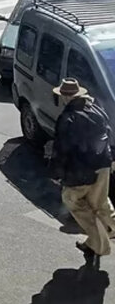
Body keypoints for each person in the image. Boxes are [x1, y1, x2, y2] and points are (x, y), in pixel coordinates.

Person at [50, 78, 115, 265]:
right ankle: (108, 230)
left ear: (65, 96)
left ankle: (99, 244)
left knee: (74, 202)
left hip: (81, 171)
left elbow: (61, 150)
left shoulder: (67, 118)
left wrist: (56, 173)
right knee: (100, 203)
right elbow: (108, 132)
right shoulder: (95, 108)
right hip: (102, 164)